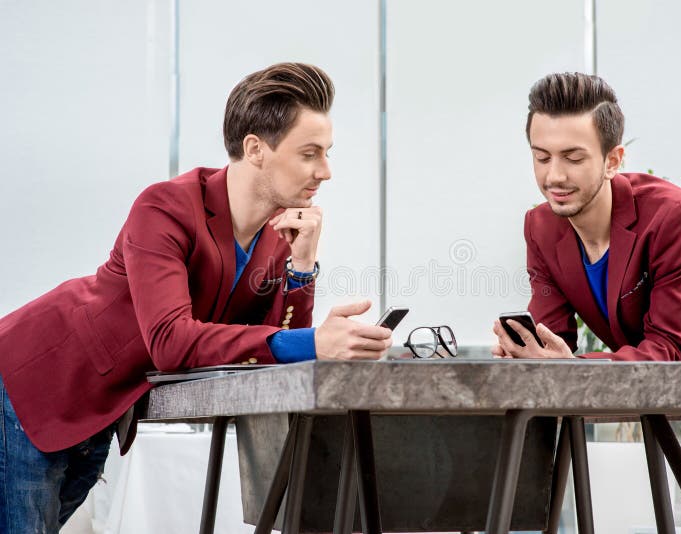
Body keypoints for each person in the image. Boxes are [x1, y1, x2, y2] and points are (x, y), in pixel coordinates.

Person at [0, 62, 393, 532]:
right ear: (256, 149)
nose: (325, 171)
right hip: (33, 384)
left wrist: (302, 267)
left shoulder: (273, 236)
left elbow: (273, 350)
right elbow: (171, 340)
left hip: (96, 415)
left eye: (327, 153)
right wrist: (314, 343)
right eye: (310, 153)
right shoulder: (165, 207)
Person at [492, 71, 681, 532]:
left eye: (573, 158)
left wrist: (571, 367)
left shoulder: (676, 216)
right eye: (541, 157)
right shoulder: (541, 226)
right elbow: (555, 340)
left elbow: (667, 348)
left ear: (614, 159)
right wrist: (527, 351)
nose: (554, 176)